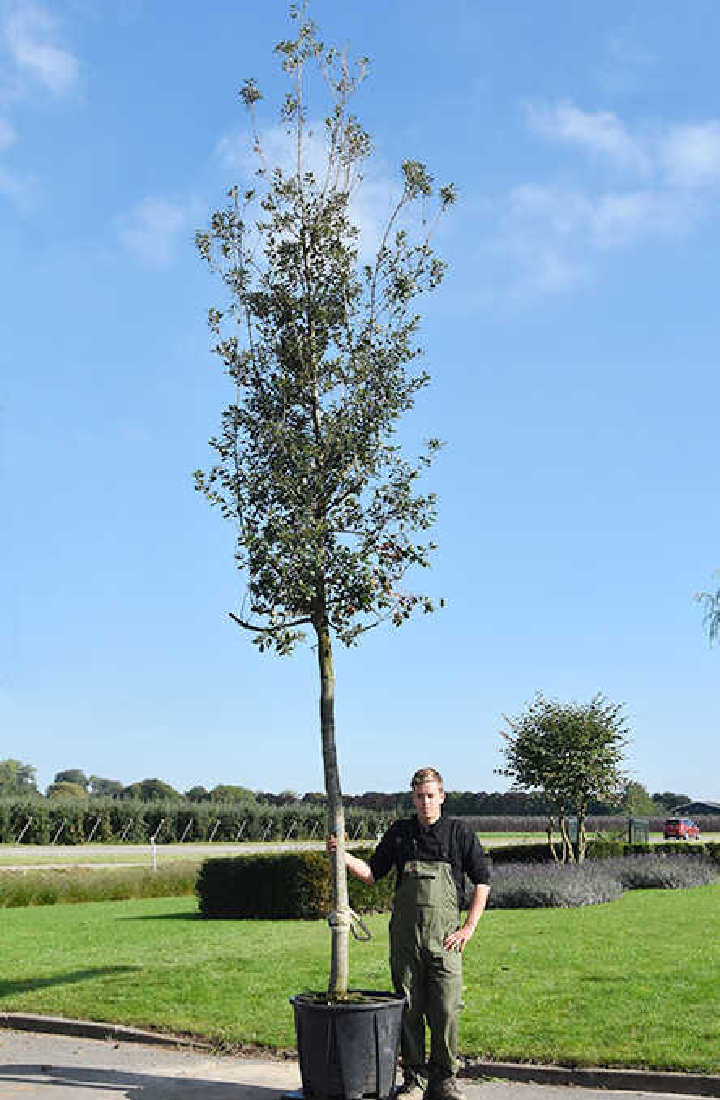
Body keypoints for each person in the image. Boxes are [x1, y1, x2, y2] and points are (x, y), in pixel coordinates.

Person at [328, 767, 491, 1100]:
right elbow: (373, 874)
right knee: (408, 1010)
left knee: (446, 1010)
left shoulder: (459, 833)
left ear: (442, 797)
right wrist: (342, 855)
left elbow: (483, 882)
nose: (425, 803)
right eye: (419, 796)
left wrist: (468, 929)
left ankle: (444, 1080)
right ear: (412, 798)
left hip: (445, 941)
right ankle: (414, 1080)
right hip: (405, 941)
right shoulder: (400, 833)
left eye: (431, 796)